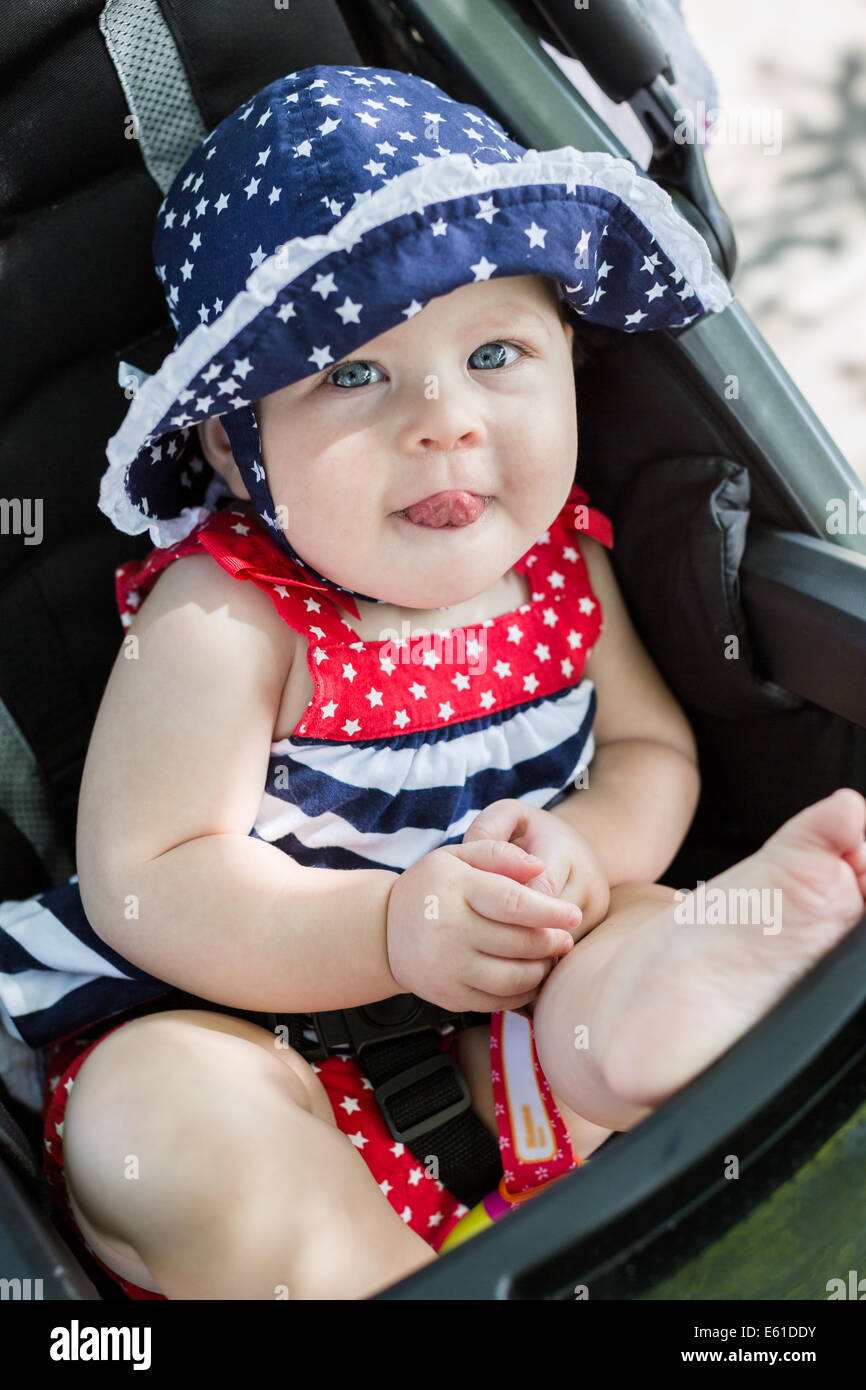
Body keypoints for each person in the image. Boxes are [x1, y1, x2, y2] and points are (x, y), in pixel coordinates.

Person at [8, 64, 865, 1301]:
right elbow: (150, 882)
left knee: (622, 932)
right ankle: (360, 1273)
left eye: (496, 351)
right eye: (351, 376)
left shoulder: (562, 558)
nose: (442, 419)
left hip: (517, 1036)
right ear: (236, 451)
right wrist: (388, 930)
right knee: (159, 1120)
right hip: (262, 1042)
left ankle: (658, 1007)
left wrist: (579, 855)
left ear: (569, 356)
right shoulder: (227, 618)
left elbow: (645, 752)